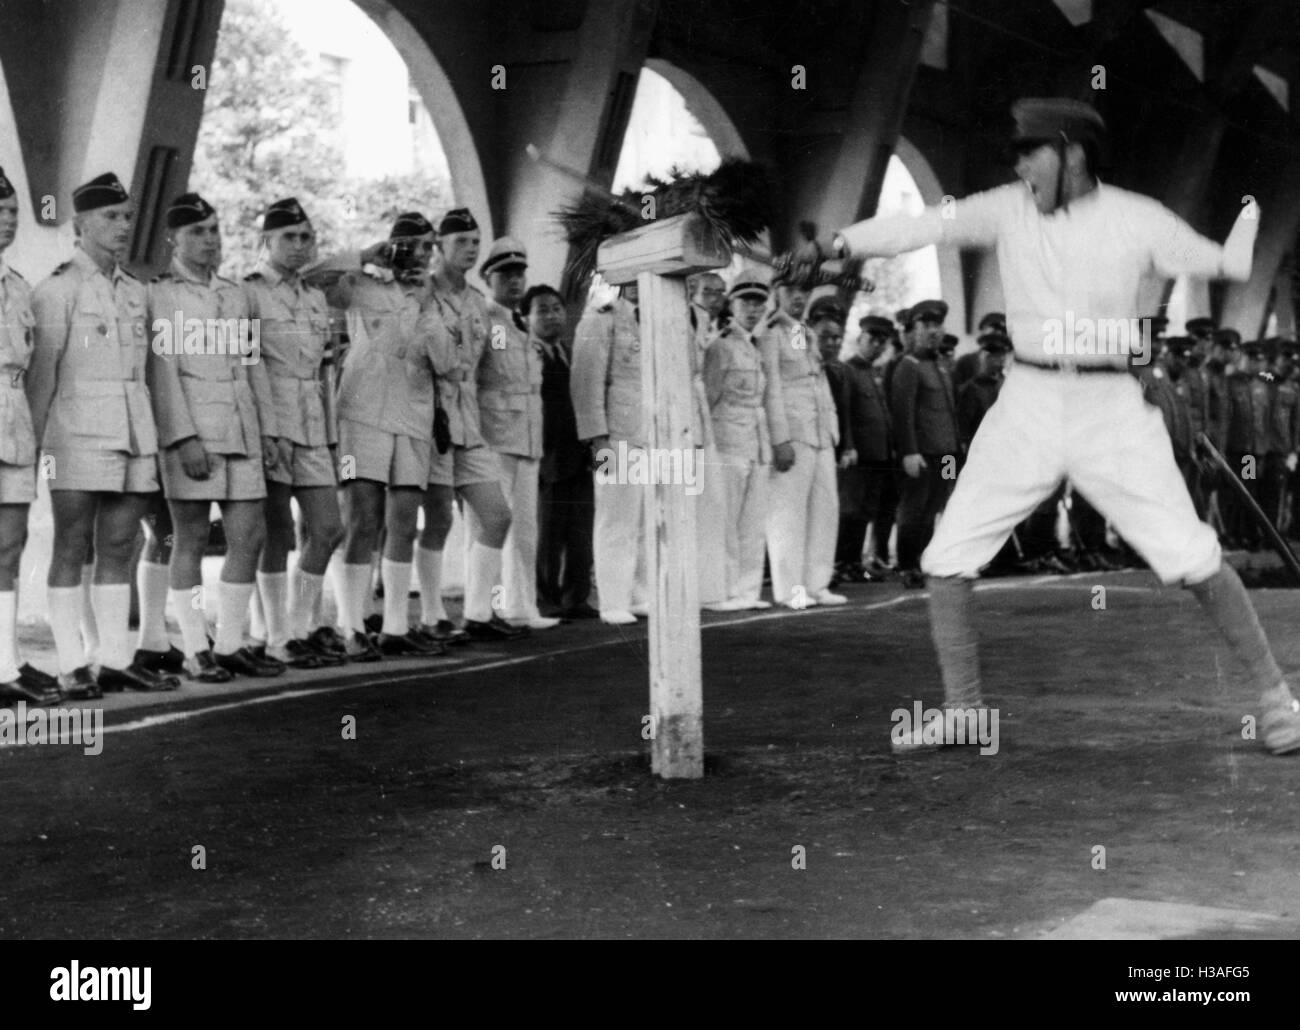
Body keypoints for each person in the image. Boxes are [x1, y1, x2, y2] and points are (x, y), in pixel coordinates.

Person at [836, 95, 1300, 755]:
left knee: (1194, 557)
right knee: (946, 558)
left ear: (1073, 153)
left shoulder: (1141, 219)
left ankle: (1278, 703)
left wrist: (1249, 223)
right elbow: (924, 227)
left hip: (1110, 408)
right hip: (1026, 399)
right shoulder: (1007, 206)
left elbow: (1230, 266)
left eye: (1032, 154)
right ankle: (964, 711)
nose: (1021, 168)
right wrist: (837, 242)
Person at [28, 173, 178, 696]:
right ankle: (71, 662)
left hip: (135, 434)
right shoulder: (57, 288)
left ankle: (113, 658)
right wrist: (31, 451)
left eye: (127, 216)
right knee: (71, 544)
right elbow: (41, 377)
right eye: (110, 217)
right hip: (74, 435)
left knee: (119, 545)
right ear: (80, 225)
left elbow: (153, 373)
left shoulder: (138, 293)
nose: (122, 226)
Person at [146, 192, 285, 681]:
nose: (209, 241)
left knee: (250, 535)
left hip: (242, 429)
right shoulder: (161, 295)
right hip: (195, 434)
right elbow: (162, 374)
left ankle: (228, 644)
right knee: (190, 537)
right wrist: (182, 438)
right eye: (196, 233)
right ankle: (193, 648)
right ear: (173, 239)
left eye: (214, 230)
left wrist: (267, 430)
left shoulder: (236, 293)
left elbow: (252, 367)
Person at [308, 212, 448, 660]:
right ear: (395, 246)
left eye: (430, 247)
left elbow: (447, 361)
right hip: (363, 414)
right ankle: (351, 624)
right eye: (415, 246)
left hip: (412, 416)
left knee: (405, 520)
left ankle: (394, 625)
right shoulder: (363, 285)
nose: (424, 255)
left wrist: (427, 307)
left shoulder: (431, 298)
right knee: (362, 518)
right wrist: (365, 254)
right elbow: (312, 279)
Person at [244, 198, 346, 667]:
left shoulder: (314, 295)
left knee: (327, 528)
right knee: (278, 533)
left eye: (307, 236)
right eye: (289, 236)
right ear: (266, 240)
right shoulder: (249, 292)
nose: (300, 245)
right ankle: (277, 637)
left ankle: (299, 624)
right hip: (272, 421)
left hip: (312, 422)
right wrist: (266, 429)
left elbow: (323, 370)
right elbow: (249, 365)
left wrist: (329, 432)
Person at [423, 208, 525, 641]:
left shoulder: (479, 302)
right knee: (437, 522)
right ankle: (432, 617)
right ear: (439, 246)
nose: (470, 249)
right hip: (431, 424)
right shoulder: (422, 294)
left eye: (474, 242)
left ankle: (479, 614)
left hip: (469, 423)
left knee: (498, 515)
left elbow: (486, 365)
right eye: (461, 241)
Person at [0, 166, 61, 704]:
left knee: (10, 544)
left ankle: (6, 660)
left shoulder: (18, 285)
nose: (6, 219)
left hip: (12, 416)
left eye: (13, 211)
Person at [760, 270, 845, 609]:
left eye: (804, 290)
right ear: (777, 291)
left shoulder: (802, 332)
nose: (799, 296)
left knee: (825, 509)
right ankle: (791, 588)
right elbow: (772, 389)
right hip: (793, 435)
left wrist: (832, 429)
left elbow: (815, 383)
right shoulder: (770, 333)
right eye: (791, 289)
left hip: (820, 433)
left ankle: (817, 583)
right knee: (787, 514)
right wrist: (780, 439)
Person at [570, 281, 647, 625]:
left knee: (645, 520)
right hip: (614, 435)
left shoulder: (655, 315)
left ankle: (642, 595)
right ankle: (613, 600)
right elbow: (585, 380)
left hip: (651, 434)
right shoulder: (601, 316)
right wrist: (596, 437)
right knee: (615, 518)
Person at [700, 267, 772, 611]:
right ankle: (721, 591)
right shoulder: (721, 347)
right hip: (726, 440)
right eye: (746, 301)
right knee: (724, 521)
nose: (753, 309)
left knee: (752, 522)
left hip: (755, 444)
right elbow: (709, 399)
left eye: (759, 302)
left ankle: (746, 591)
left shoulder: (755, 346)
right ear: (733, 304)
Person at [530, 285, 595, 619]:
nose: (552, 315)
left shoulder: (573, 353)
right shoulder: (528, 354)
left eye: (556, 308)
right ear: (528, 317)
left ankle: (577, 597)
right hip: (546, 454)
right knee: (549, 534)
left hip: (580, 454)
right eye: (542, 309)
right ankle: (546, 598)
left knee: (581, 533)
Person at [888, 299, 960, 588]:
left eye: (937, 325)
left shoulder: (940, 366)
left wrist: (958, 447)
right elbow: (902, 412)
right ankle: (908, 565)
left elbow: (949, 411)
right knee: (915, 508)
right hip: (924, 453)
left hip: (948, 454)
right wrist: (909, 451)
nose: (933, 331)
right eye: (926, 325)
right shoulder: (909, 366)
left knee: (937, 505)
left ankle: (926, 561)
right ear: (914, 329)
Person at [836, 314, 894, 581]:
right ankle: (844, 563)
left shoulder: (873, 372)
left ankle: (855, 562)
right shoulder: (849, 370)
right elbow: (845, 412)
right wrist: (848, 447)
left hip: (878, 455)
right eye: (872, 339)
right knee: (851, 509)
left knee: (865, 510)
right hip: (859, 454)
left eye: (882, 341)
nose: (878, 346)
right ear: (860, 339)